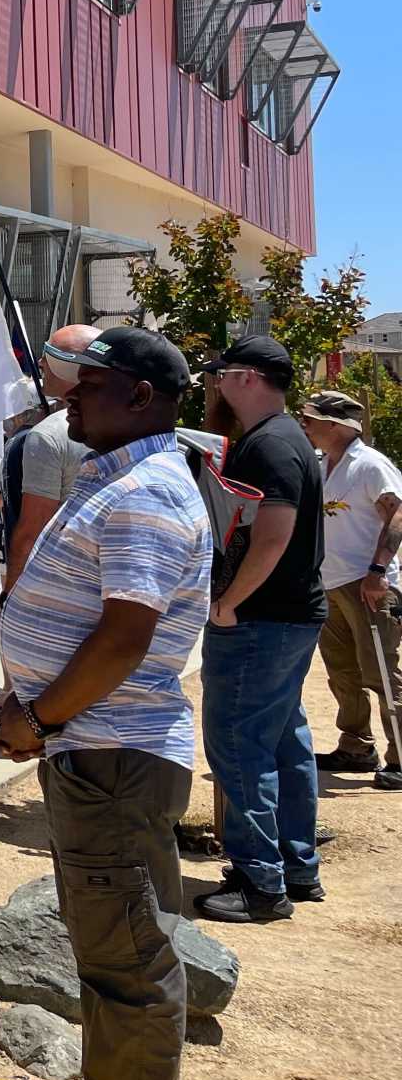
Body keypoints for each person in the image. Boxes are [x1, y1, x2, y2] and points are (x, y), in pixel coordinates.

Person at [0, 326, 210, 1080]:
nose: (69, 392)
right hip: (97, 747)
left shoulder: (148, 489)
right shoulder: (119, 473)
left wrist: (38, 720)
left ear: (141, 397)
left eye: (90, 382)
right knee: (107, 944)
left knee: (131, 958)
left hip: (110, 752)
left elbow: (125, 636)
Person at [192, 334, 328, 923]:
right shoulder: (281, 438)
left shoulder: (270, 445)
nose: (213, 383)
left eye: (219, 373)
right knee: (282, 739)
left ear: (246, 377)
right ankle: (294, 868)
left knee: (239, 742)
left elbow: (271, 535)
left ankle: (259, 883)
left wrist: (228, 603)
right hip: (287, 617)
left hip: (260, 619)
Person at [301, 389, 402, 789]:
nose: (304, 424)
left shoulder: (370, 465)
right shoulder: (324, 464)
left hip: (368, 586)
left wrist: (377, 570)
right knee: (342, 672)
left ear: (336, 425)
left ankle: (400, 758)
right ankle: (356, 747)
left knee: (381, 672)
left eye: (310, 418)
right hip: (331, 583)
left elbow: (397, 513)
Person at [3, 326, 99, 595]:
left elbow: (31, 530)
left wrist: (10, 596)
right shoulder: (124, 424)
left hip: (52, 588)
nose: (40, 363)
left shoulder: (47, 436)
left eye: (50, 354)